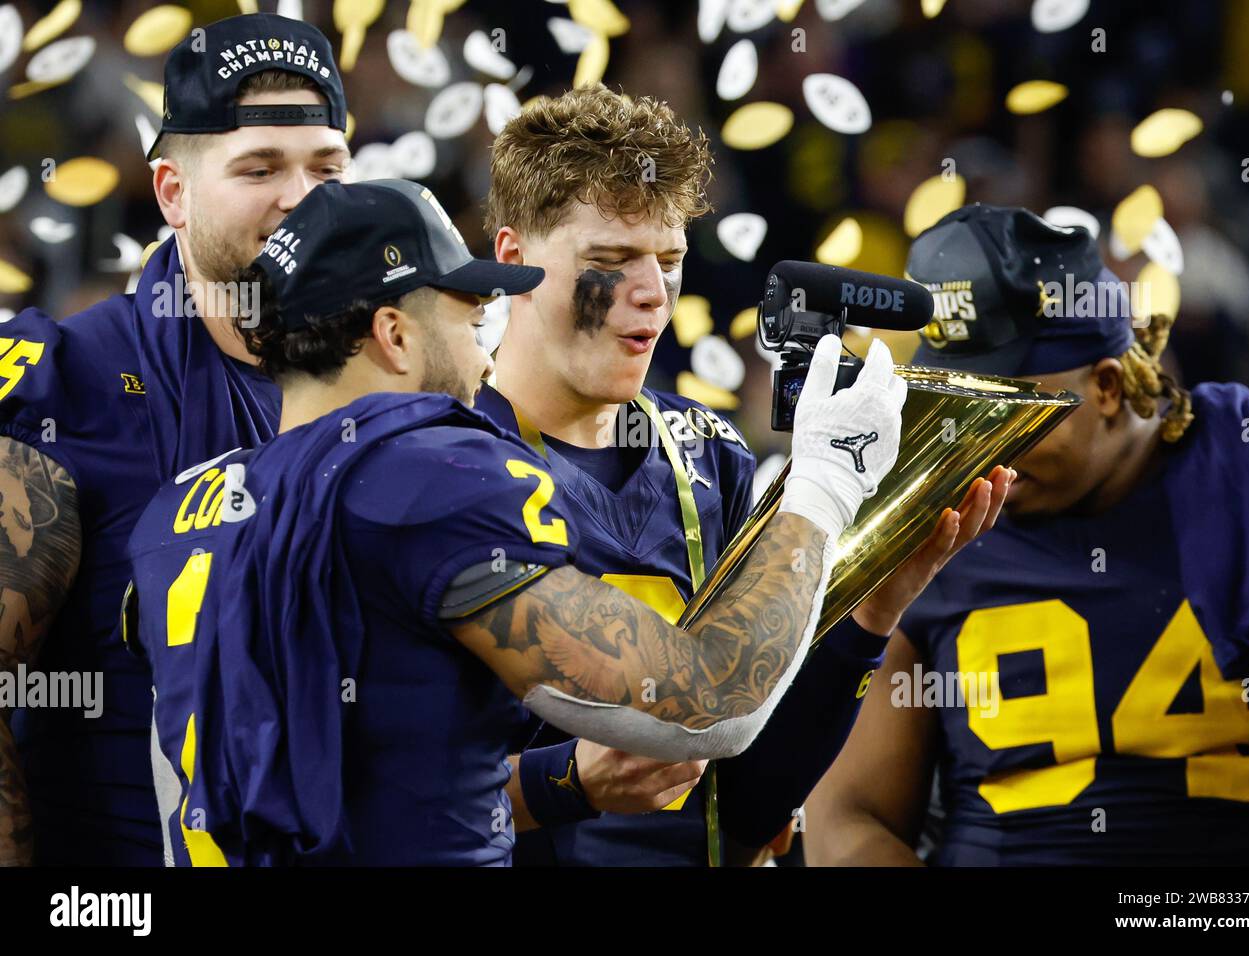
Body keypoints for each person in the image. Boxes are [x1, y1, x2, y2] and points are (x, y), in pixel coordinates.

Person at [124, 178, 910, 865]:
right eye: (469, 324)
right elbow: (710, 702)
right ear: (395, 335)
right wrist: (826, 479)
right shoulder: (424, 472)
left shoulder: (179, 508)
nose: (482, 359)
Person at [478, 85, 1011, 865]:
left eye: (669, 261)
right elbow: (373, 801)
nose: (653, 295)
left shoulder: (709, 454)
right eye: (610, 261)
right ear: (513, 260)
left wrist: (875, 608)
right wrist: (567, 783)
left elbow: (749, 798)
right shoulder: (439, 458)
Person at [805, 204, 1249, 866]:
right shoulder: (924, 516)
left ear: (1104, 386)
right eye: (960, 407)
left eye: (1008, 411)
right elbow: (847, 819)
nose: (977, 447)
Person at [0, 12, 350, 866]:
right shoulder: (69, 380)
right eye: (259, 167)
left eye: (325, 168)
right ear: (172, 193)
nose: (300, 199)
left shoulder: (405, 379)